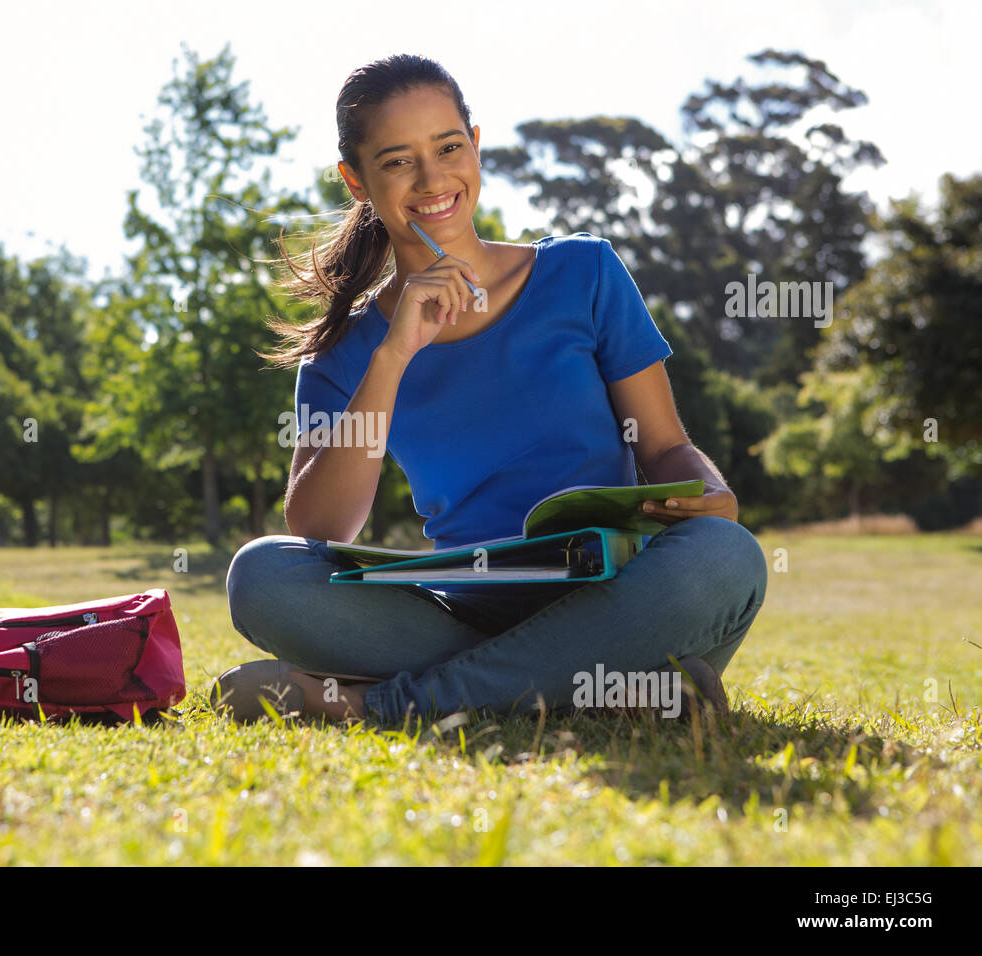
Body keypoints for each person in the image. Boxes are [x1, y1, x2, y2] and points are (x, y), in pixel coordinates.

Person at [210, 53, 767, 726]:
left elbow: (666, 446)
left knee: (724, 555)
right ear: (356, 181)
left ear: (475, 146)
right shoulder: (344, 352)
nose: (431, 178)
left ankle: (383, 706)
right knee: (263, 576)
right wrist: (392, 355)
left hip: (617, 588)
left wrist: (709, 492)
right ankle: (605, 692)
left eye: (447, 147)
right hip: (462, 606)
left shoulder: (584, 273)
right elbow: (320, 528)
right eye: (396, 161)